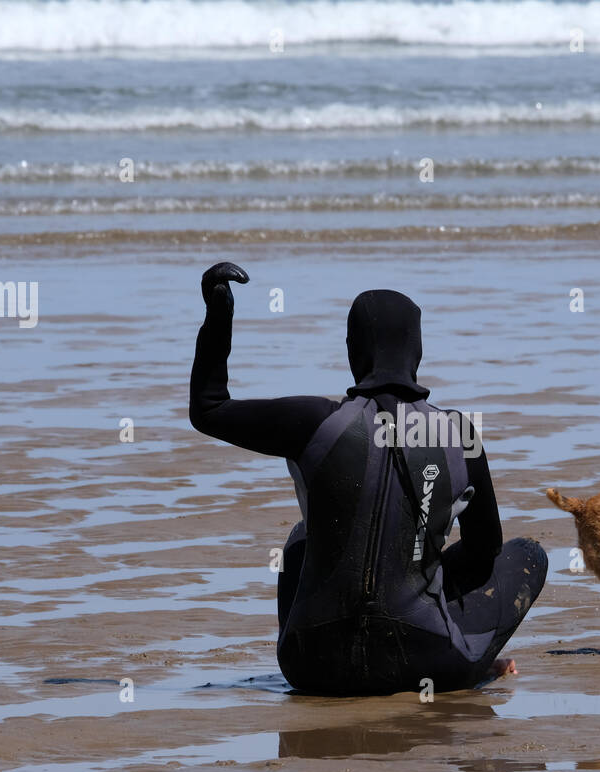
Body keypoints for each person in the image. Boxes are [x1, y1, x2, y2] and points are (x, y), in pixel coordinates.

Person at [189, 261, 548, 695]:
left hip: (312, 667)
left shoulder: (313, 421)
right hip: (430, 666)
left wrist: (219, 313)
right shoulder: (458, 434)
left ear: (352, 349)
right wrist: (417, 570)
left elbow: (208, 408)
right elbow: (483, 552)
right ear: (416, 351)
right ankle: (468, 653)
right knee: (528, 554)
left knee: (304, 538)